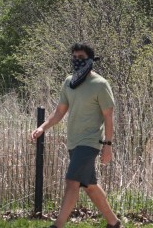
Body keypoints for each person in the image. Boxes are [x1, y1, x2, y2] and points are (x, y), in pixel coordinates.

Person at [30, 43, 123, 228]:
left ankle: (58, 225)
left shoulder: (101, 84)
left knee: (72, 181)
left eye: (81, 57)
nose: (76, 61)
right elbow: (59, 112)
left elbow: (109, 117)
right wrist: (43, 127)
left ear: (90, 60)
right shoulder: (68, 82)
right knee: (89, 186)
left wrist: (108, 145)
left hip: (89, 143)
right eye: (74, 57)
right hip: (73, 142)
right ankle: (114, 223)